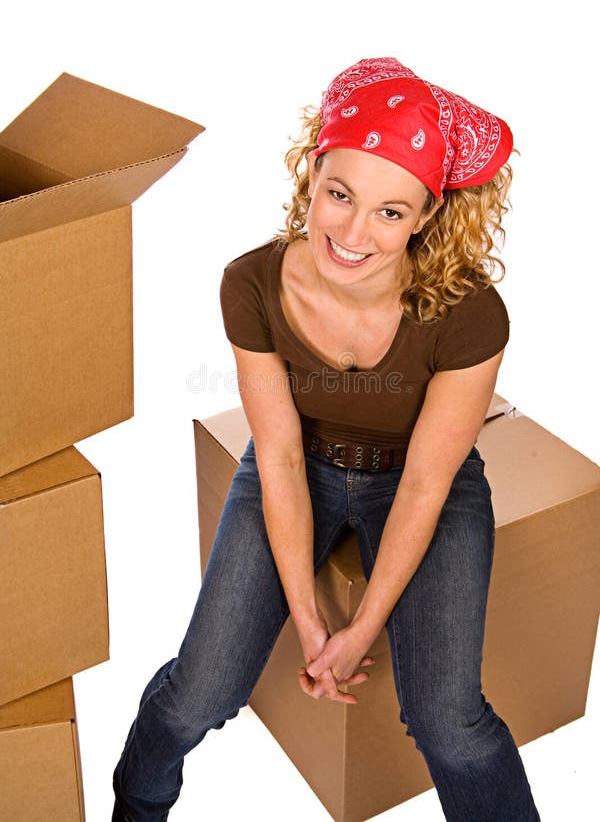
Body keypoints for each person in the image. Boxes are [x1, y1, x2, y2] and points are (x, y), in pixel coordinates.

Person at [113, 57, 541, 821]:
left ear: (425, 217)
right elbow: (276, 454)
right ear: (311, 174)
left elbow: (424, 483)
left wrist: (358, 630)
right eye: (339, 194)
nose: (351, 232)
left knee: (449, 721)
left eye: (390, 212)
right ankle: (135, 805)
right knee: (198, 693)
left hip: (418, 480)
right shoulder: (250, 284)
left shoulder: (473, 315)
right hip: (297, 466)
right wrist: (311, 622)